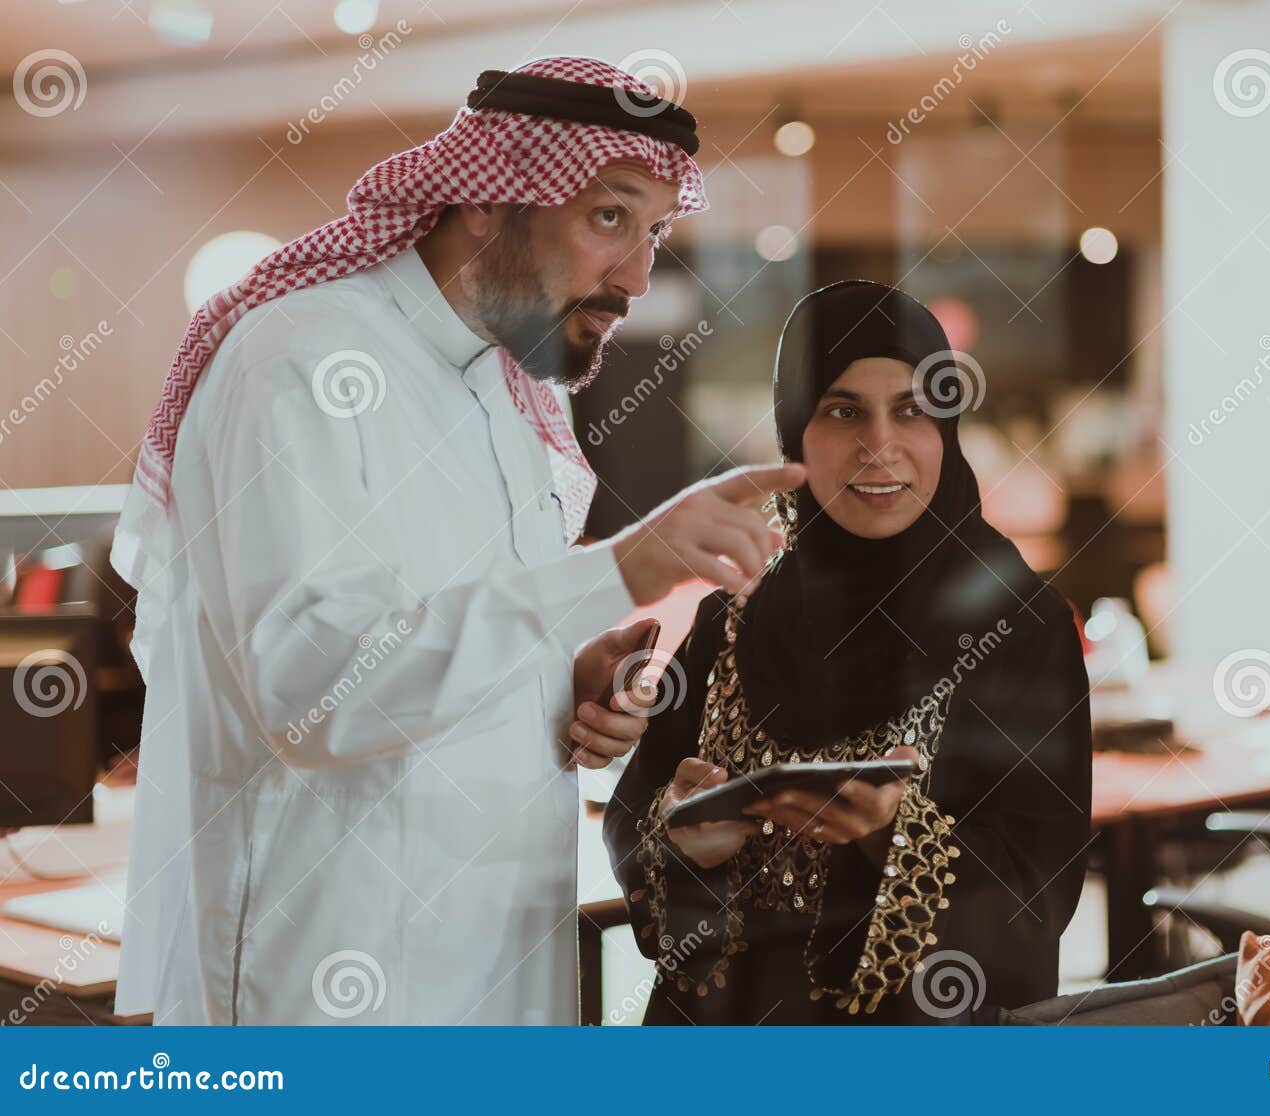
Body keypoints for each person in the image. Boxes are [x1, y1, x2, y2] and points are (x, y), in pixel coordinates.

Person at [111, 56, 802, 1025]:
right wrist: (617, 571)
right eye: (608, 217)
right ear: (484, 196)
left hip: (507, 966)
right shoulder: (301, 359)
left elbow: (443, 643)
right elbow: (315, 695)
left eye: (655, 233)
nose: (638, 277)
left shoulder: (501, 392)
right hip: (334, 984)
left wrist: (562, 680)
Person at [604, 281, 1092, 1024]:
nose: (879, 446)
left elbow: (1040, 886)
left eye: (912, 411)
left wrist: (894, 835)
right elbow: (635, 809)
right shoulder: (734, 612)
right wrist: (684, 841)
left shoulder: (1019, 629)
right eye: (842, 411)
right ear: (795, 430)